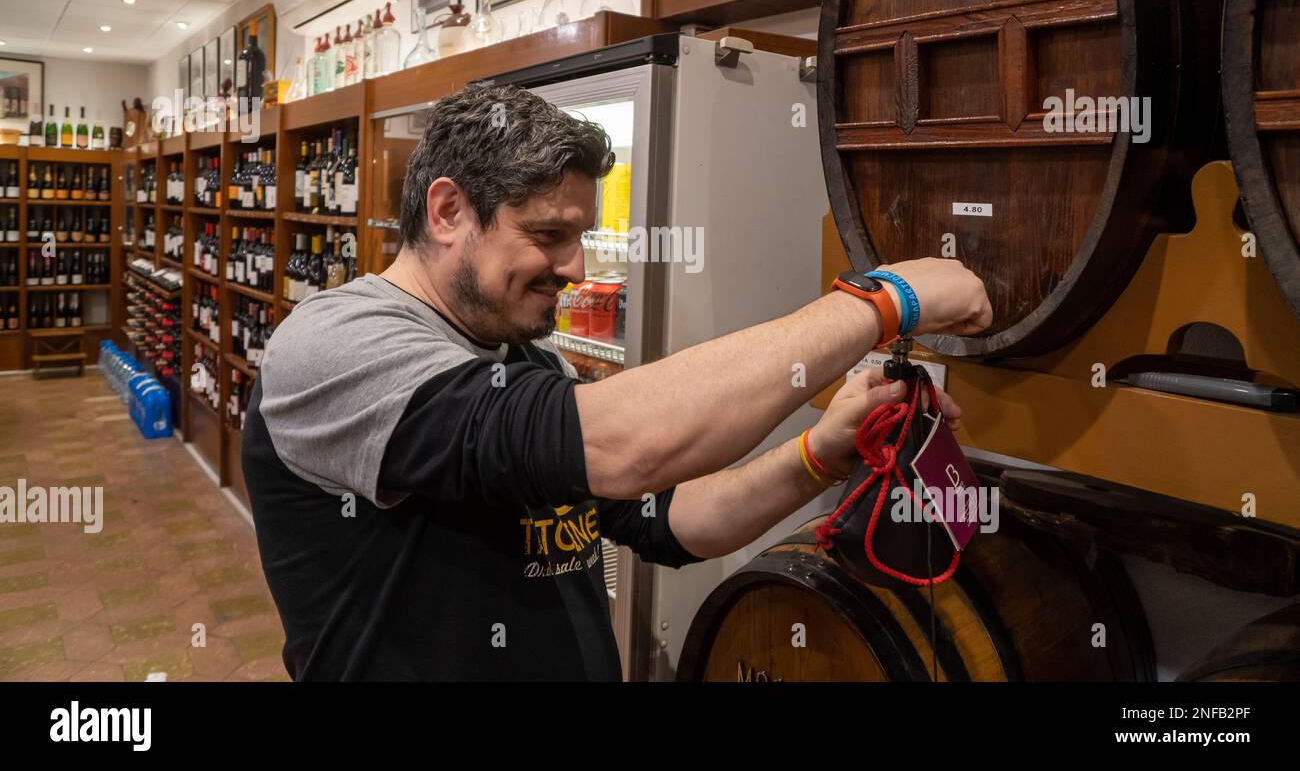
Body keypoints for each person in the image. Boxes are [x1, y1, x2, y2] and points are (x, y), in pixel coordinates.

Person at [242, 82, 991, 680]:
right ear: (447, 211)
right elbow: (620, 445)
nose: (573, 268)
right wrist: (884, 301)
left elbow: (671, 519)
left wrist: (821, 455)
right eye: (548, 235)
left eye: (581, 237)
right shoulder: (338, 345)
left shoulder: (532, 361)